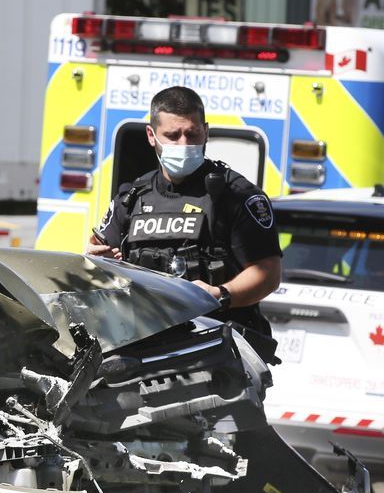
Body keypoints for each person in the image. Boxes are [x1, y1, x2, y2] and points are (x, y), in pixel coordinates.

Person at [87, 86, 282, 339]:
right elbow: (98, 254)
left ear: (206, 132)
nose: (184, 144)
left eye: (192, 133)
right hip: (145, 339)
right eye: (172, 135)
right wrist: (94, 259)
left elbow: (268, 273)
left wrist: (220, 295)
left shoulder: (236, 195)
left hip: (217, 344)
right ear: (151, 135)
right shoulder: (132, 197)